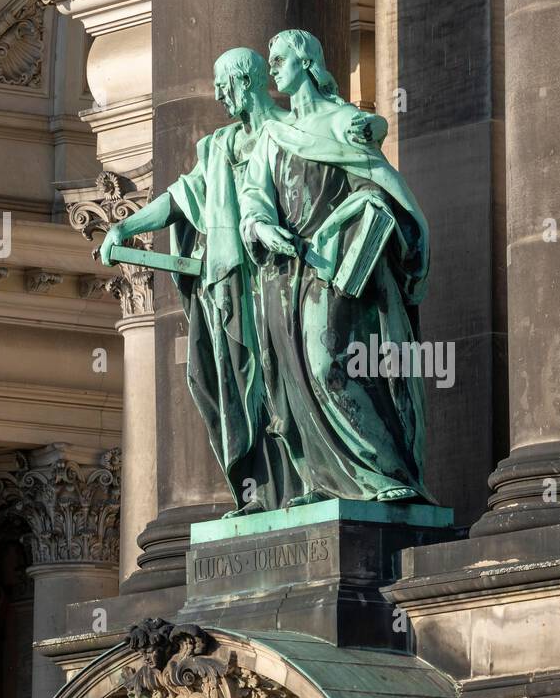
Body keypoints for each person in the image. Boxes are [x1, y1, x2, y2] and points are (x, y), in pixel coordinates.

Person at [238, 29, 434, 506]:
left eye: (280, 57)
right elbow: (254, 198)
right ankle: (325, 481)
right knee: (295, 377)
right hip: (286, 271)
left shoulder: (344, 123)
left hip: (338, 264)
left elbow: (381, 187)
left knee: (328, 365)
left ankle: (382, 472)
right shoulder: (271, 135)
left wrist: (350, 221)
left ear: (306, 61)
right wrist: (262, 228)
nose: (274, 66)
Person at [100, 48, 290, 514]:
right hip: (229, 287)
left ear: (245, 81)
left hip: (283, 278)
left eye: (225, 86)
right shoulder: (220, 147)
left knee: (283, 382)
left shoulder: (287, 133)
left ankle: (302, 485)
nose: (221, 97)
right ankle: (262, 491)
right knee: (221, 382)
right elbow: (180, 199)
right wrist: (126, 227)